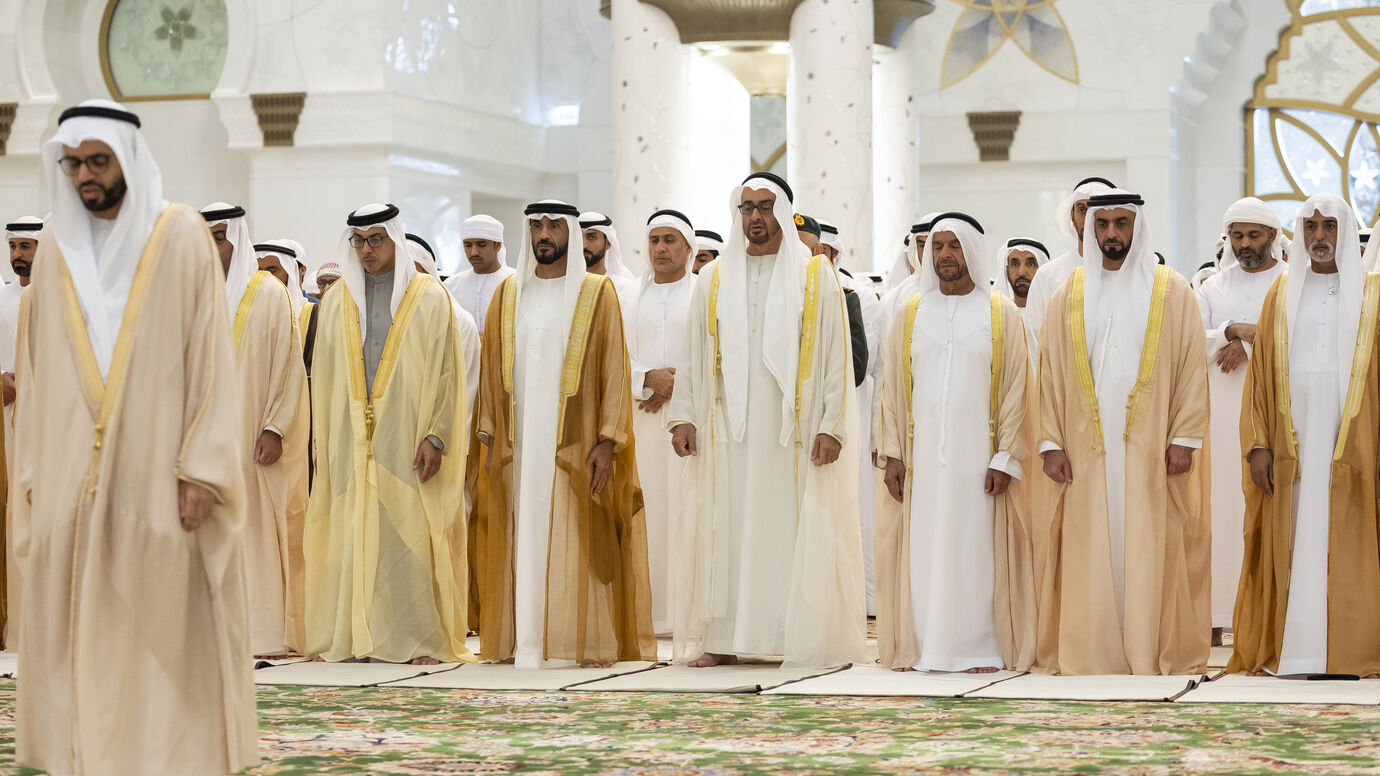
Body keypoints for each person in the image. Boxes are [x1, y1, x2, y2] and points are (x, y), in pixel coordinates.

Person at [16, 99, 257, 775]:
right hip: (71, 475)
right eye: (74, 164)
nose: (86, 177)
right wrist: (36, 470)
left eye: (98, 161)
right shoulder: (56, 246)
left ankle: (166, 757)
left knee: (162, 628)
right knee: (80, 629)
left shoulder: (177, 235)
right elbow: (39, 378)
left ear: (128, 158)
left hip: (161, 473)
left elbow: (210, 356)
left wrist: (203, 469)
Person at [669, 172, 865, 668]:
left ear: (782, 212)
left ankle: (787, 636)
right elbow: (692, 353)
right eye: (747, 208)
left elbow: (837, 355)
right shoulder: (712, 279)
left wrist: (831, 424)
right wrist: (685, 415)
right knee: (723, 526)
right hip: (725, 432)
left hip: (791, 434)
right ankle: (722, 640)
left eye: (765, 207)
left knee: (786, 532)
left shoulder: (816, 276)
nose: (755, 217)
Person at [471, 200, 655, 668]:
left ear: (571, 233)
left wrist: (608, 441)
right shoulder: (509, 294)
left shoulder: (596, 293)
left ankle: (586, 643)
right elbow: (491, 373)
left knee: (578, 537)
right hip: (518, 447)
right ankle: (525, 642)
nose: (544, 235)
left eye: (554, 226)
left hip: (575, 447)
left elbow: (615, 368)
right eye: (536, 226)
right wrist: (490, 436)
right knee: (521, 538)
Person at [1036, 190, 1210, 676]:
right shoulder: (1067, 293)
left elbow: (1193, 367)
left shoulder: (1172, 291)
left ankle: (1147, 648)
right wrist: (1050, 444)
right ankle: (1093, 650)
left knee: (1149, 544)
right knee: (1090, 543)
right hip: (1084, 448)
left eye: (1121, 224)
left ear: (1137, 227)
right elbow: (1047, 374)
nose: (1112, 233)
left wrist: (1185, 437)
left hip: (1153, 448)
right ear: (1090, 228)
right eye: (1103, 224)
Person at [303, 203, 472, 665]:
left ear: (395, 240)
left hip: (409, 436)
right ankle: (352, 636)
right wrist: (326, 444)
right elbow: (324, 377)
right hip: (351, 439)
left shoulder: (429, 297)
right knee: (351, 532)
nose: (366, 250)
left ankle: (418, 638)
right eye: (359, 241)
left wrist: (436, 436)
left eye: (376, 240)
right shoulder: (337, 301)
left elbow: (446, 375)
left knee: (410, 534)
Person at [876, 212, 1035, 673]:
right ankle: (925, 644)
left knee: (976, 550)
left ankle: (979, 645)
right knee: (924, 548)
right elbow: (892, 391)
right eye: (938, 247)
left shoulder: (999, 312)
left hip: (979, 460)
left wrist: (1006, 455)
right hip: (922, 458)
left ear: (974, 252)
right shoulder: (910, 314)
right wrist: (893, 455)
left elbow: (1017, 387)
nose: (945, 255)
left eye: (955, 246)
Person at [1231, 193, 1380, 678]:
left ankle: (1352, 651)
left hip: (1355, 446)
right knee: (1296, 536)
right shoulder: (1281, 295)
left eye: (1330, 226)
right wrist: (1257, 445)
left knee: (1348, 539)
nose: (1319, 236)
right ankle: (1296, 652)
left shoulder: (1373, 296)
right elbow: (1259, 384)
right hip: (1290, 447)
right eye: (1311, 226)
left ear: (1345, 232)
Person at [200, 202, 310, 660]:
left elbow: (289, 366)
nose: (214, 246)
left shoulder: (268, 292)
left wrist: (275, 427)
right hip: (203, 439)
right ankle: (208, 632)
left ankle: (262, 632)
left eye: (222, 236)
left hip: (252, 437)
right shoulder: (193, 292)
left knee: (257, 531)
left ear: (238, 239)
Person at [1195, 197, 1285, 642]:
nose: (1245, 244)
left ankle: (1266, 620)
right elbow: (1194, 336)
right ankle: (1216, 616)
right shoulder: (1213, 286)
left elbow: (1294, 335)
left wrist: (1249, 342)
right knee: (1221, 509)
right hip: (1223, 407)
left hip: (1273, 413)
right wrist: (1232, 330)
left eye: (1253, 235)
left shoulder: (1290, 279)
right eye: (1237, 236)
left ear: (1272, 235)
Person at [624, 208, 697, 635]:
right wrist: (645, 379)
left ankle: (686, 615)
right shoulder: (628, 296)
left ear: (689, 248)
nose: (661, 248)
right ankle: (648, 615)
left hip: (692, 425)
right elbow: (611, 351)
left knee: (688, 512)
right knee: (646, 513)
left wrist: (677, 383)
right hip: (640, 422)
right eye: (655, 240)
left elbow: (721, 353)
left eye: (671, 240)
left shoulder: (706, 293)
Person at [1024, 177, 1116, 343]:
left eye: (1096, 210)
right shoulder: (1048, 276)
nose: (1088, 218)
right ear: (1072, 216)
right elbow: (1036, 341)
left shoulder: (1130, 273)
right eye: (1082, 209)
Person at [445, 214, 515, 335]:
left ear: (497, 245)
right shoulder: (450, 285)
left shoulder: (515, 281)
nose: (473, 252)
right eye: (468, 245)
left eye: (481, 245)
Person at [579, 211, 639, 301]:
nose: (583, 245)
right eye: (579, 238)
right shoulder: (566, 284)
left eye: (591, 237)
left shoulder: (626, 288)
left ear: (608, 243)